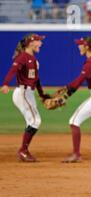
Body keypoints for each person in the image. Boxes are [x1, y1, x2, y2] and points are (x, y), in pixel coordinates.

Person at [1, 34, 50, 162]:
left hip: (29, 93)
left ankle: (24, 150)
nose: (41, 43)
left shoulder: (34, 60)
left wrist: (42, 95)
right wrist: (5, 83)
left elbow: (37, 80)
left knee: (32, 121)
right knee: (35, 121)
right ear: (31, 43)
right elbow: (13, 69)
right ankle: (23, 150)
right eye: (39, 41)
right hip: (22, 92)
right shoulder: (23, 57)